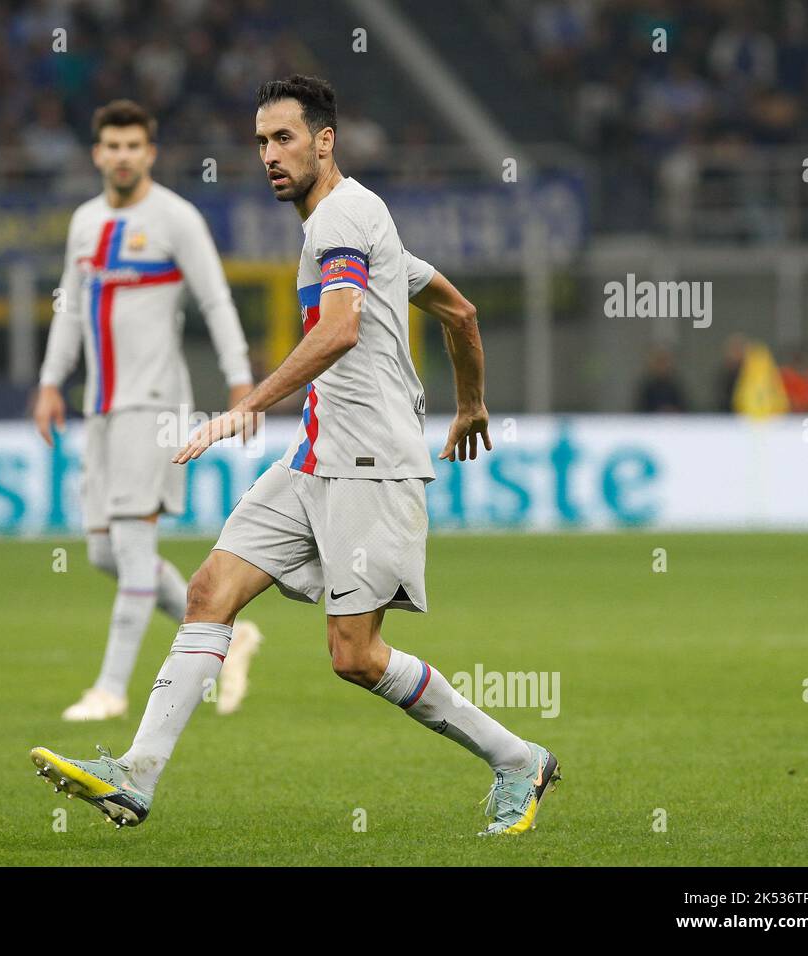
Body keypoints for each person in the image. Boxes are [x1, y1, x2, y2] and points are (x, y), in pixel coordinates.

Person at [30, 76, 560, 837]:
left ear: (324, 140)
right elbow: (459, 310)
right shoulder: (349, 224)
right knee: (211, 589)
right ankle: (135, 776)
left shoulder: (345, 214)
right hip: (315, 461)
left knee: (356, 656)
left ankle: (517, 758)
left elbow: (340, 328)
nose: (269, 156)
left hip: (371, 466)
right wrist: (471, 401)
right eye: (259, 142)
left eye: (283, 139)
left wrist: (245, 404)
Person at [33, 99, 263, 722]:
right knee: (105, 553)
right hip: (101, 407)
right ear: (97, 153)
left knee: (134, 547)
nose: (123, 155)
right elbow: (70, 310)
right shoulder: (84, 223)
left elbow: (216, 301)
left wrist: (242, 381)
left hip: (155, 404)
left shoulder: (176, 218)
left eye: (135, 145)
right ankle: (232, 633)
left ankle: (110, 689)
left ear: (150, 153)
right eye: (113, 145)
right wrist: (52, 381)